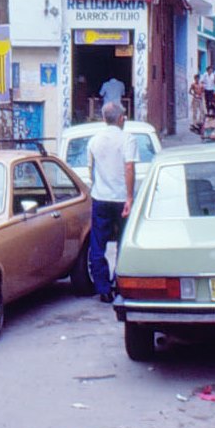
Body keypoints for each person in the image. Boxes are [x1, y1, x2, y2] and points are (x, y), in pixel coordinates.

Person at [86, 102, 136, 304]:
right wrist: (130, 197)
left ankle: (103, 288)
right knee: (124, 242)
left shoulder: (94, 140)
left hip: (100, 197)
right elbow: (129, 168)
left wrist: (99, 185)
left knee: (98, 244)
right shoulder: (127, 139)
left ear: (104, 119)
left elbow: (91, 170)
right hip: (121, 199)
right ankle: (120, 284)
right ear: (121, 118)